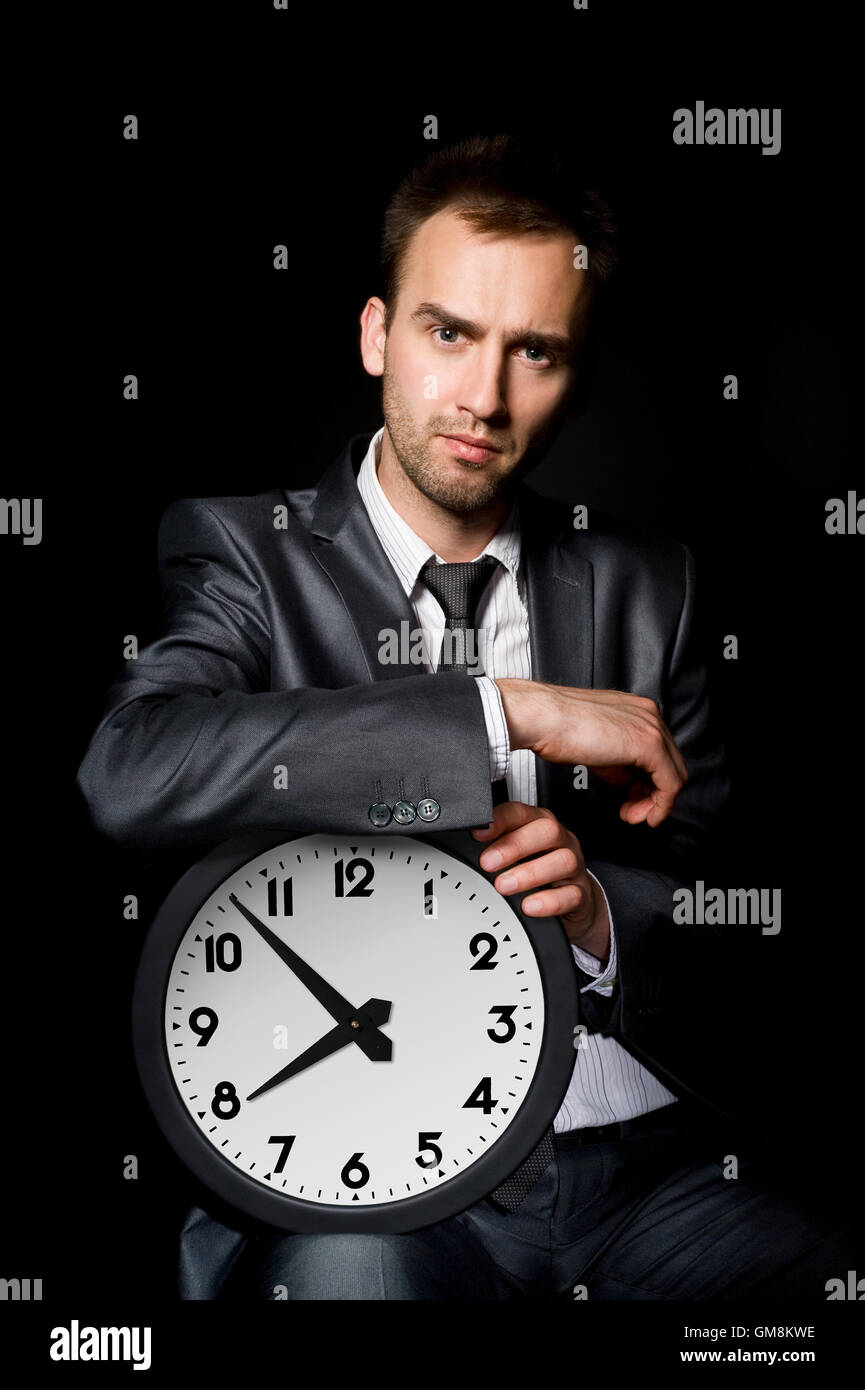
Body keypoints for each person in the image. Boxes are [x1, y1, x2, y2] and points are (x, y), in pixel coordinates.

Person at [77, 133, 854, 1300]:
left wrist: (598, 910)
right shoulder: (245, 552)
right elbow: (129, 772)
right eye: (448, 334)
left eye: (532, 351)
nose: (482, 398)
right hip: (371, 1177)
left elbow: (741, 922)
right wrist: (500, 712)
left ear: (576, 378)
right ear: (376, 334)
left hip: (647, 1172)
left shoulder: (656, 589)